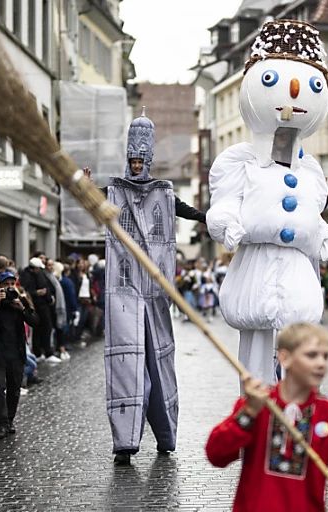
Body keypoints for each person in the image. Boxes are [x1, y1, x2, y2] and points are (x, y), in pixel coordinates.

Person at [205, 20, 328, 387]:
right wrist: (226, 224)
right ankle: (257, 430)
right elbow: (223, 206)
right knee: (257, 368)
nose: (294, 98)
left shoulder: (310, 170)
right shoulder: (240, 162)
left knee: (298, 361)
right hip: (257, 272)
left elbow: (310, 216)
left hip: (297, 276)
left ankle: (293, 430)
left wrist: (326, 236)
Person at [102, 112, 205, 466]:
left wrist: (211, 217)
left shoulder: (164, 194)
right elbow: (89, 201)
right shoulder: (114, 191)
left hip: (155, 294)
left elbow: (186, 211)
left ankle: (164, 435)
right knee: (128, 368)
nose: (135, 166)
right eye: (131, 160)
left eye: (140, 161)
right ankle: (125, 443)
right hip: (125, 292)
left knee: (158, 367)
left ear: (148, 160)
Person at [207, 323, 328, 512]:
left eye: (325, 356)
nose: (321, 363)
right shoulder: (257, 404)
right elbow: (216, 454)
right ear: (285, 357)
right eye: (311, 355)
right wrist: (248, 413)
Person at [0, 271, 37, 439]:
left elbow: (35, 321)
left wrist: (23, 307)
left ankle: (10, 420)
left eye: (12, 284)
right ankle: (1, 424)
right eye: (6, 284)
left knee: (14, 390)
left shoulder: (18, 303)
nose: (9, 287)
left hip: (16, 354)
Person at [20, 257, 57, 362]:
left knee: (41, 329)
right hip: (39, 306)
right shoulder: (30, 276)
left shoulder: (32, 274)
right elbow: (27, 291)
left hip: (41, 305)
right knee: (43, 328)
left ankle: (40, 352)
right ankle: (43, 352)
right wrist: (38, 293)